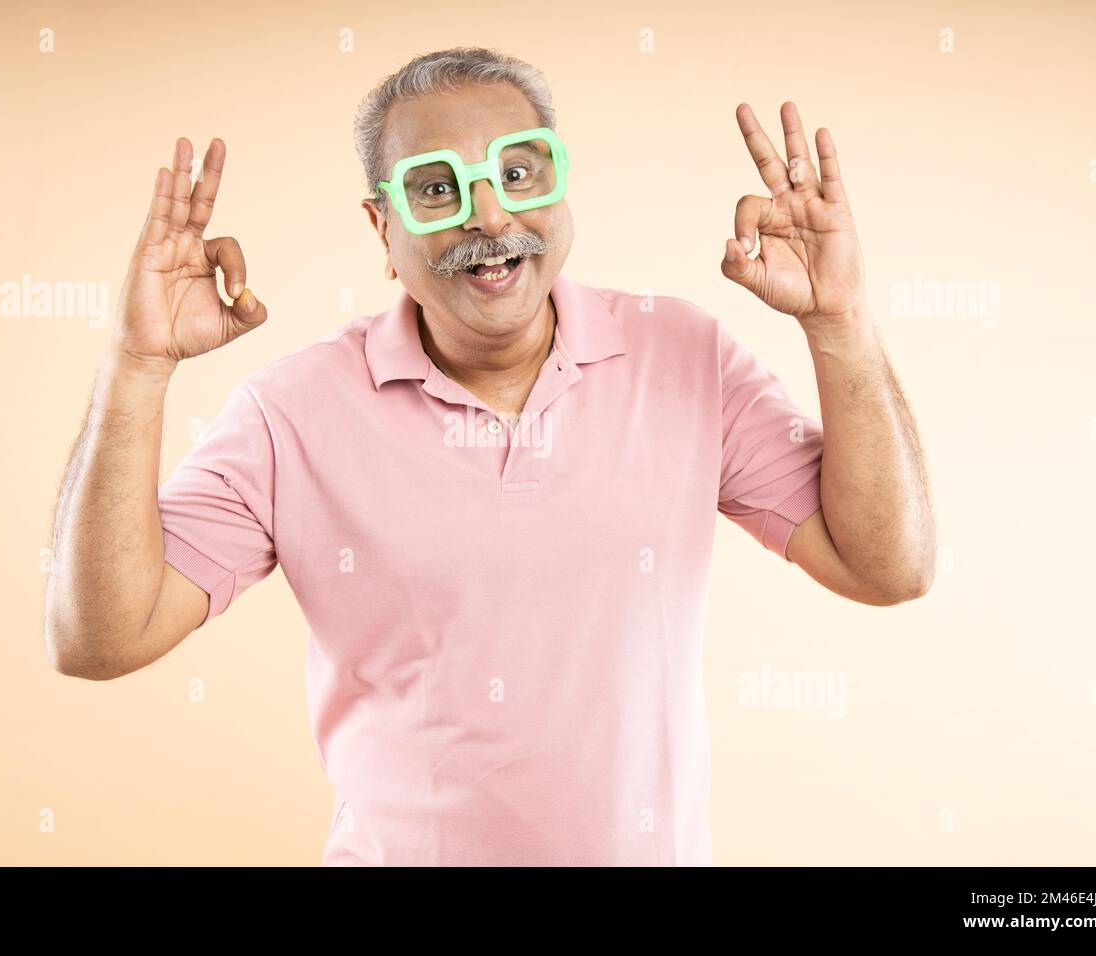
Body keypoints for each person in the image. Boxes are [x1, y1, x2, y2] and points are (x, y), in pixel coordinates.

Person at [45, 47, 935, 866]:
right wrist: (136, 366)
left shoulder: (686, 357)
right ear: (382, 229)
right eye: (437, 189)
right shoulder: (292, 412)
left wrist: (839, 324)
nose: (490, 213)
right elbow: (98, 638)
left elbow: (887, 566)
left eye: (517, 171)